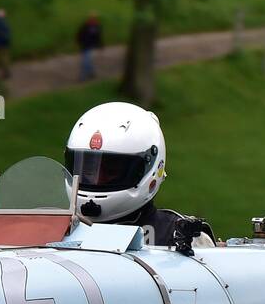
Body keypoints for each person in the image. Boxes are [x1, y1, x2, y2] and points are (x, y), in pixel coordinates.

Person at [63, 101, 213, 249]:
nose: (97, 179)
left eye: (111, 171)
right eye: (88, 171)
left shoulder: (181, 236)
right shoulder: (56, 230)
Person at [76, 13, 103, 81]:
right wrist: (79, 42)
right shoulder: (85, 26)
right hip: (84, 45)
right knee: (87, 60)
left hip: (89, 46)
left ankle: (82, 77)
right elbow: (79, 34)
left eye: (94, 18)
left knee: (85, 61)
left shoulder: (96, 26)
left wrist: (100, 45)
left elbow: (98, 37)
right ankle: (92, 73)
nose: (92, 19)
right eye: (91, 18)